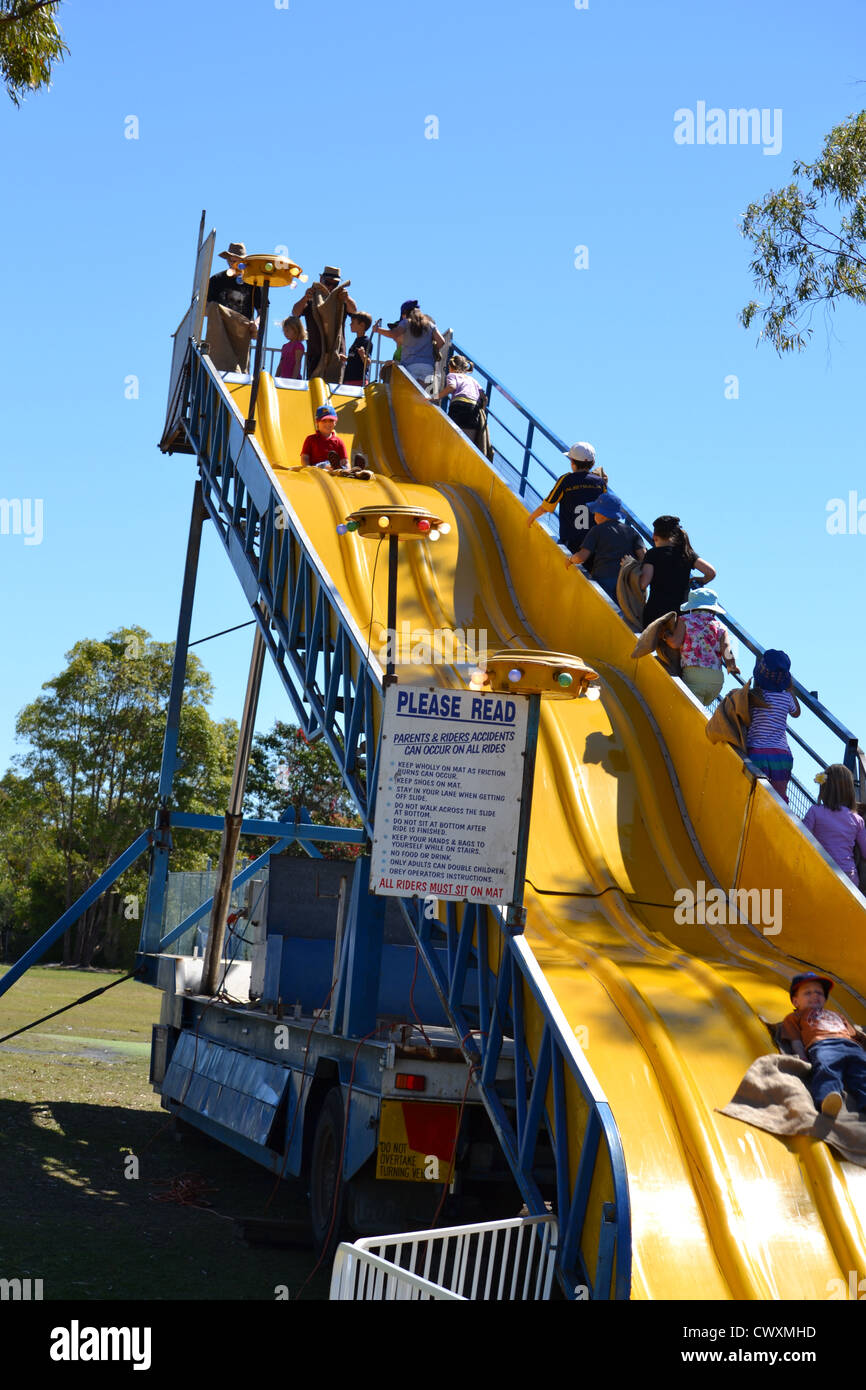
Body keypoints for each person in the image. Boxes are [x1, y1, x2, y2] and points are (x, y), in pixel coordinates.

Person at [780, 973, 866, 1118]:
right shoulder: (794, 1017)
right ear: (795, 1002)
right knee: (827, 1067)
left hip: (852, 1046)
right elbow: (795, 1039)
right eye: (808, 992)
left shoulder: (837, 1015)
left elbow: (855, 1035)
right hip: (824, 1044)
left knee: (862, 1071)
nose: (815, 995)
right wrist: (801, 1055)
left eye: (819, 992)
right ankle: (827, 1098)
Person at [660, 587, 739, 706]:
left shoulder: (685, 620)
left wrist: (666, 635)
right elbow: (727, 649)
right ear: (713, 610)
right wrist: (732, 666)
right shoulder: (721, 627)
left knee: (690, 711)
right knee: (701, 709)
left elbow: (675, 643)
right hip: (716, 679)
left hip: (694, 674)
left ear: (692, 607)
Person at [527, 443, 608, 556]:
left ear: (572, 462)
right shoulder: (600, 482)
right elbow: (607, 511)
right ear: (592, 463)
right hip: (593, 545)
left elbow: (547, 506)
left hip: (570, 542)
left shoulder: (566, 480)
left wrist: (530, 518)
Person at [639, 515, 716, 629]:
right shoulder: (686, 553)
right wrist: (701, 580)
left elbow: (644, 583)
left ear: (655, 536)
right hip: (679, 615)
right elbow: (711, 572)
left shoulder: (652, 554)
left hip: (655, 612)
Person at [565, 494, 646, 601]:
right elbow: (643, 556)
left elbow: (581, 557)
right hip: (626, 583)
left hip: (603, 579)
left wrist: (570, 560)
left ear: (603, 514)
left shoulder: (597, 530)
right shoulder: (631, 532)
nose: (594, 515)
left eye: (595, 512)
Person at [745, 649, 800, 802]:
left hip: (757, 752)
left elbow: (746, 717)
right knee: (779, 798)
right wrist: (790, 690)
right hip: (781, 755)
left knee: (755, 794)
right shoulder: (787, 697)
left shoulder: (755, 696)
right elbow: (796, 713)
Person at [803, 765, 866, 886]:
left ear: (824, 787)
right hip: (848, 876)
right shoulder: (857, 819)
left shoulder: (815, 811)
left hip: (819, 872)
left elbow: (801, 837)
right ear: (849, 790)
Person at [292, 266, 358, 383]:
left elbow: (354, 310)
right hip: (316, 352)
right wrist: (305, 298)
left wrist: (347, 298)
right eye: (328, 283)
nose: (331, 287)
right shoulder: (312, 298)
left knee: (334, 389)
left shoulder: (341, 299)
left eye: (335, 284)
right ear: (321, 279)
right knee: (314, 387)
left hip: (337, 353)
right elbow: (295, 312)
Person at [205, 241, 262, 372]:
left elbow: (262, 310)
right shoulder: (216, 280)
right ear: (228, 260)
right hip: (221, 332)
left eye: (237, 261)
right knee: (218, 366)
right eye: (231, 260)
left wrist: (256, 324)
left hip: (241, 334)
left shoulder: (252, 282)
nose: (234, 264)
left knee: (240, 371)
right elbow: (207, 308)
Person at [374, 304, 444, 387]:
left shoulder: (406, 322)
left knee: (409, 390)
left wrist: (378, 330)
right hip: (428, 367)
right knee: (420, 393)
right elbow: (441, 342)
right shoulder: (429, 325)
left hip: (411, 366)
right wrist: (429, 349)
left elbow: (394, 334)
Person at [434, 355, 491, 454]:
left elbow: (452, 387)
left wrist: (437, 397)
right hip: (473, 409)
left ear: (451, 367)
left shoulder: (452, 375)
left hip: (458, 406)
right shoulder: (473, 380)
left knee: (453, 435)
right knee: (468, 441)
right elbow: (484, 398)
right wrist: (482, 408)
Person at [300, 404, 349, 471]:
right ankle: (334, 467)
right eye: (324, 421)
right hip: (317, 469)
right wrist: (308, 468)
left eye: (331, 421)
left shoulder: (339, 442)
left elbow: (345, 461)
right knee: (323, 465)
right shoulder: (311, 439)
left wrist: (347, 469)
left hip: (334, 470)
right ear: (317, 422)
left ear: (335, 422)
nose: (328, 424)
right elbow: (304, 457)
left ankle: (355, 470)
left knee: (342, 467)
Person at [342, 312, 374, 386]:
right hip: (348, 380)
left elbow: (368, 362)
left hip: (358, 381)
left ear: (362, 325)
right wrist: (346, 359)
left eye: (353, 322)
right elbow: (356, 359)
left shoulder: (367, 342)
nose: (350, 324)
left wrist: (363, 355)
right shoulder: (357, 340)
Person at [276, 316, 306, 380]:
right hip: (283, 379)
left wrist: (293, 380)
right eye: (284, 331)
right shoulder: (284, 346)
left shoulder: (298, 346)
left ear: (296, 330)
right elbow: (281, 364)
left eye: (287, 330)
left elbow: (297, 364)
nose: (285, 333)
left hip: (294, 380)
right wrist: (275, 378)